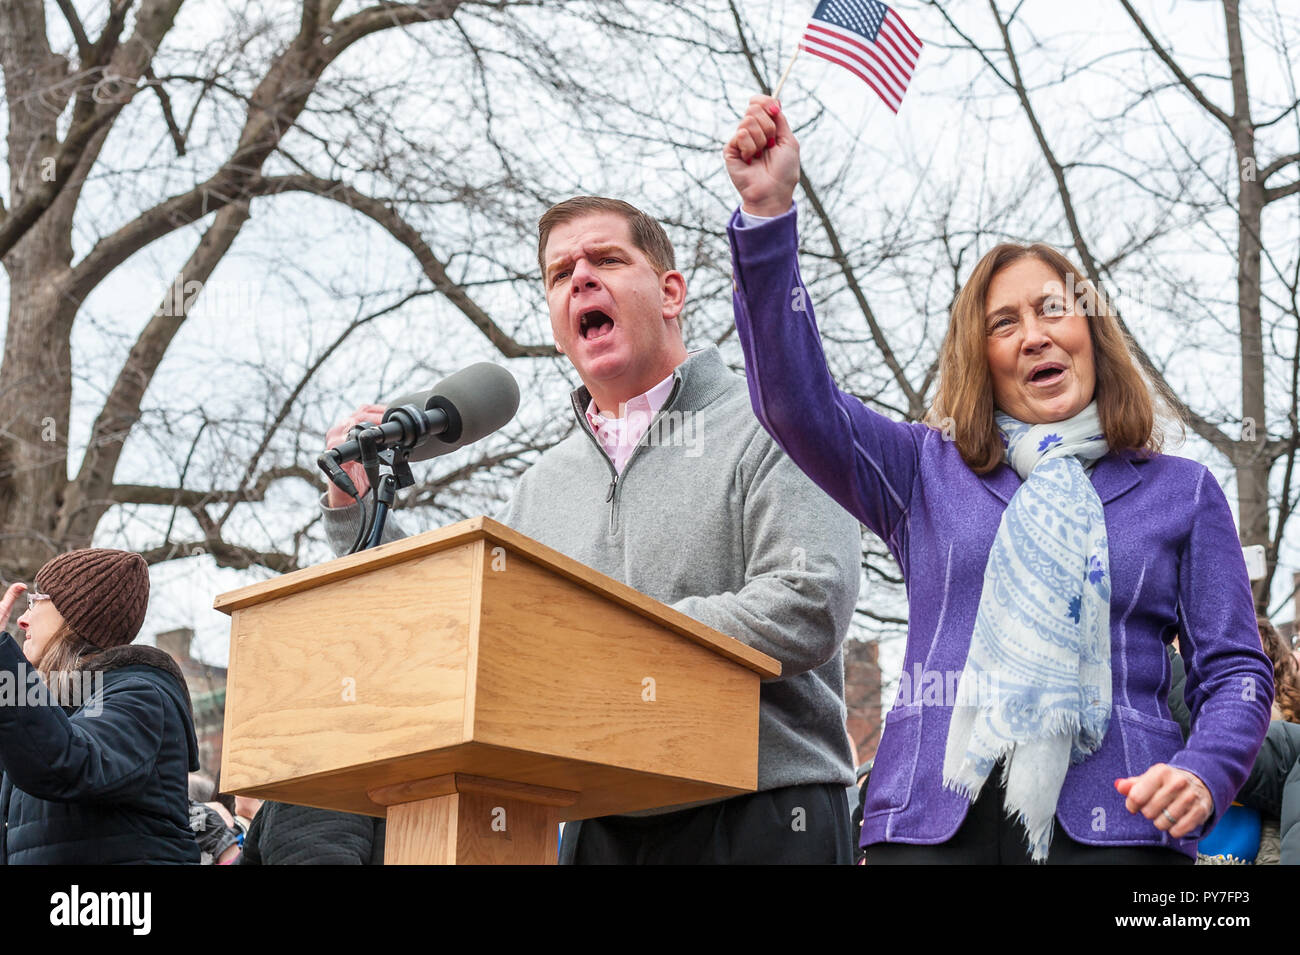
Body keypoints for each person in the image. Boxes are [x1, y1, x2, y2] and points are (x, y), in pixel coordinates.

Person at [723, 95, 1274, 863]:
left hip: (1117, 826)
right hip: (930, 825)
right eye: (1004, 322)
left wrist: (1205, 770)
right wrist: (768, 214)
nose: (1035, 333)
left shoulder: (1181, 490)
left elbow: (1238, 669)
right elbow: (793, 401)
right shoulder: (922, 469)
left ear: (1092, 332)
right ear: (981, 358)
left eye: (1053, 309)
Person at [320, 196, 864, 864]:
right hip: (592, 818)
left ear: (670, 292)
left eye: (606, 258)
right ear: (556, 322)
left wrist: (609, 641)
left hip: (766, 812)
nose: (580, 277)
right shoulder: (542, 486)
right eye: (559, 273)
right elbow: (469, 632)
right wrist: (357, 508)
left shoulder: (777, 423)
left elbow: (810, 599)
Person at [0, 549, 200, 864]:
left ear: (75, 614)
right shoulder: (53, 708)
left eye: (36, 601)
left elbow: (65, 763)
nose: (22, 620)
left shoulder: (142, 695)